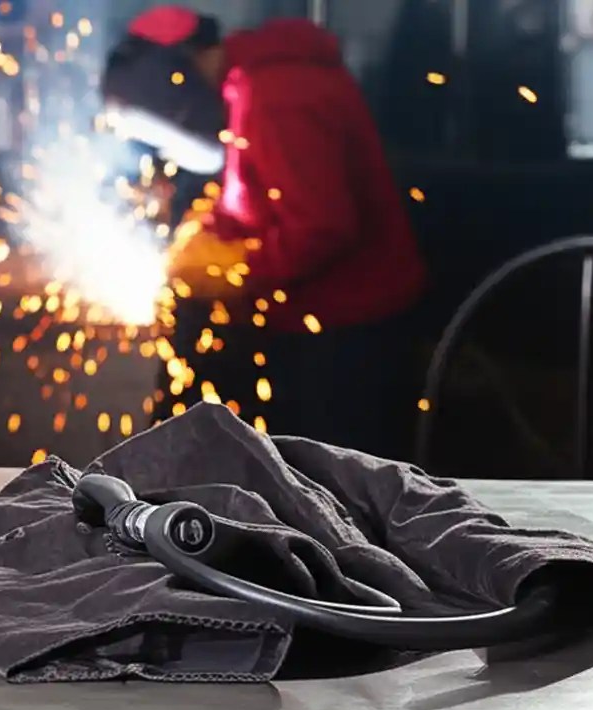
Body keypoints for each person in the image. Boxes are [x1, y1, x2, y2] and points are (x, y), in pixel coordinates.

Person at [102, 7, 427, 459]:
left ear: (174, 75)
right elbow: (257, 192)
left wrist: (236, 271)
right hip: (313, 324)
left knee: (335, 496)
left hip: (344, 339)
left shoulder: (276, 94)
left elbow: (321, 227)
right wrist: (202, 234)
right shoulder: (249, 84)